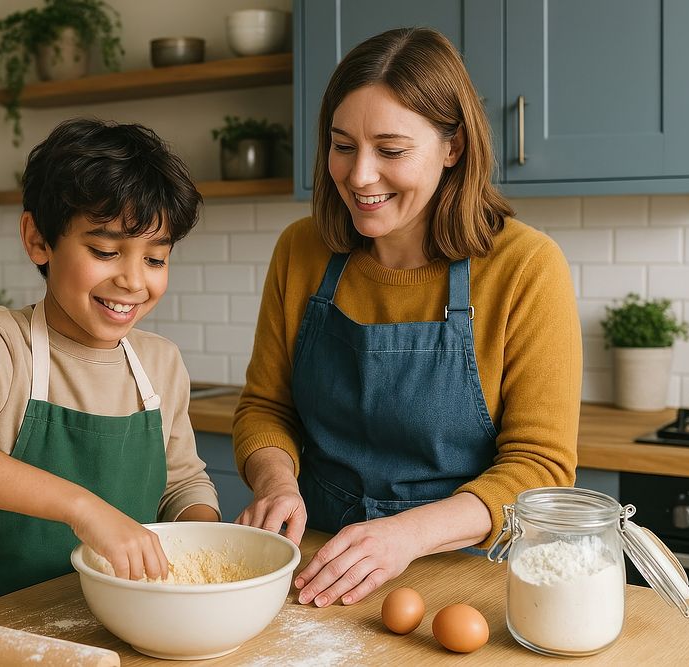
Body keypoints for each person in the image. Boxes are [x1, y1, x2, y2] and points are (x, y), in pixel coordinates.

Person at [232, 27, 582, 609]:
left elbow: (540, 467)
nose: (361, 175)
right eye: (342, 146)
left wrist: (405, 536)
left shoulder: (525, 267)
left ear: (454, 147)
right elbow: (267, 407)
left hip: (468, 579)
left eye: (391, 151)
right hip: (317, 569)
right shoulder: (302, 250)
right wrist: (275, 481)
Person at [0, 118, 220, 617]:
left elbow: (182, 483)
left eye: (156, 259)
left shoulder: (160, 363)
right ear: (38, 240)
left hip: (116, 628)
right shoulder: (0, 343)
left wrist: (202, 544)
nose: (132, 280)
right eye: (105, 251)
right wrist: (83, 509)